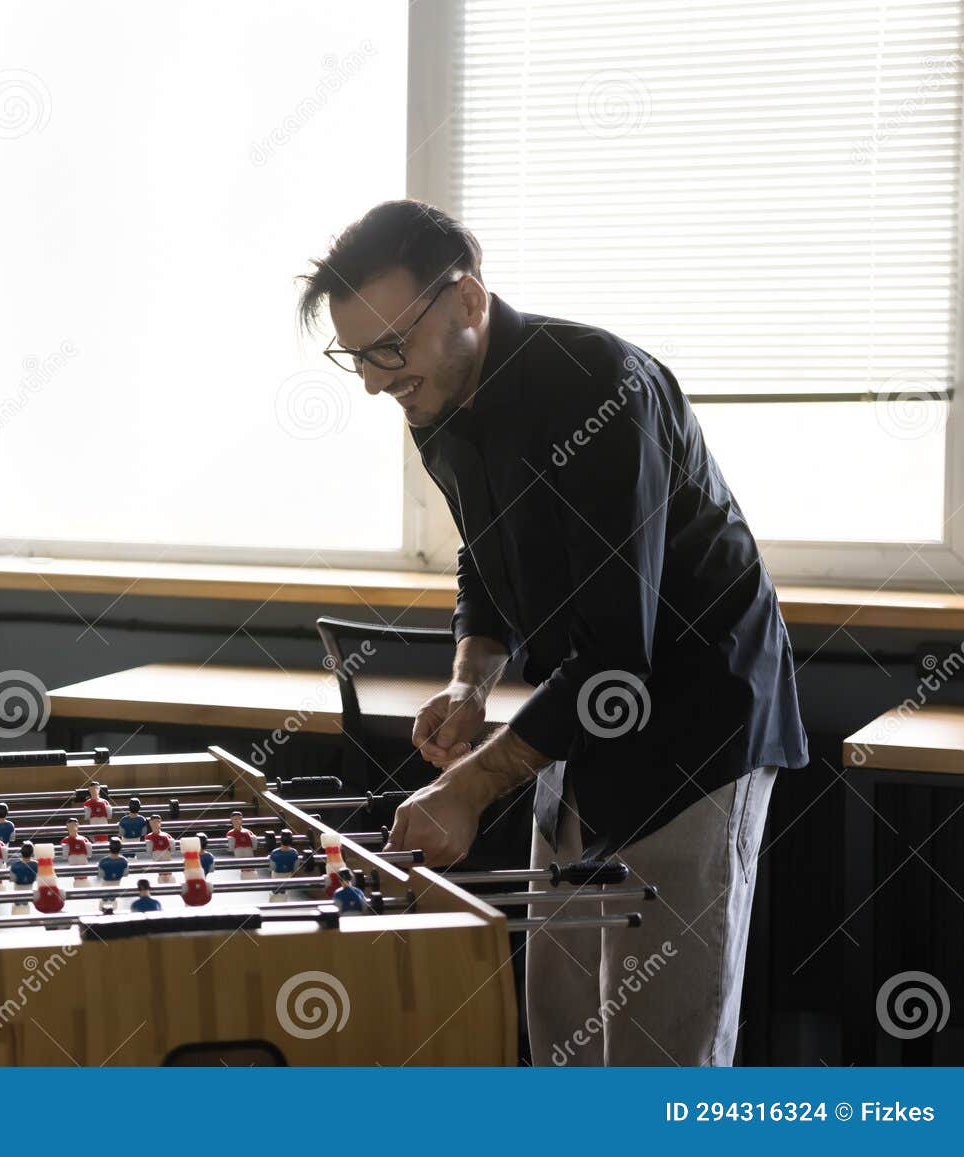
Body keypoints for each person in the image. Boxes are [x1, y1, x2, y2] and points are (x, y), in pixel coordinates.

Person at [298, 200, 806, 1066]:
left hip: (695, 731)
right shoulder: (438, 400)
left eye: (390, 350)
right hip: (580, 714)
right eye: (356, 360)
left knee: (656, 1064)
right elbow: (485, 559)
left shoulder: (599, 388)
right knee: (564, 1037)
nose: (379, 382)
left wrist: (467, 790)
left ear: (466, 301)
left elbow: (621, 655)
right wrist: (470, 681)